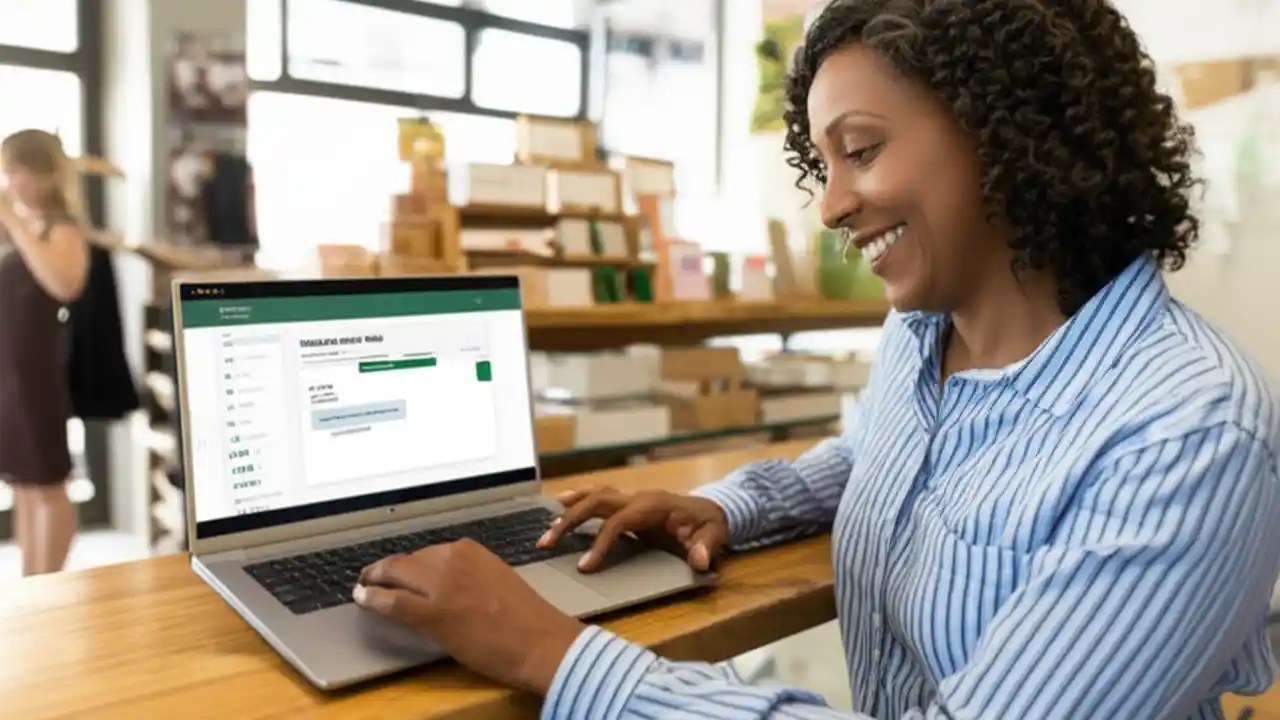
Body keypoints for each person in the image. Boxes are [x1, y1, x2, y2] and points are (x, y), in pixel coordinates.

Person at [351, 1, 1280, 717]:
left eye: (862, 151)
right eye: (823, 164)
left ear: (1006, 132)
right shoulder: (926, 335)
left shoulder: (1189, 435)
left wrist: (550, 653)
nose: (832, 207)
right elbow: (876, 455)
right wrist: (726, 504)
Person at [0, 129, 89, 576]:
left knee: (48, 484)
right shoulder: (17, 229)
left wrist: (16, 224)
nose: (11, 180)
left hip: (36, 375)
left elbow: (65, 285)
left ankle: (46, 582)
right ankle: (29, 580)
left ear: (41, 173)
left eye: (17, 170)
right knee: (23, 486)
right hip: (7, 376)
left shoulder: (60, 228)